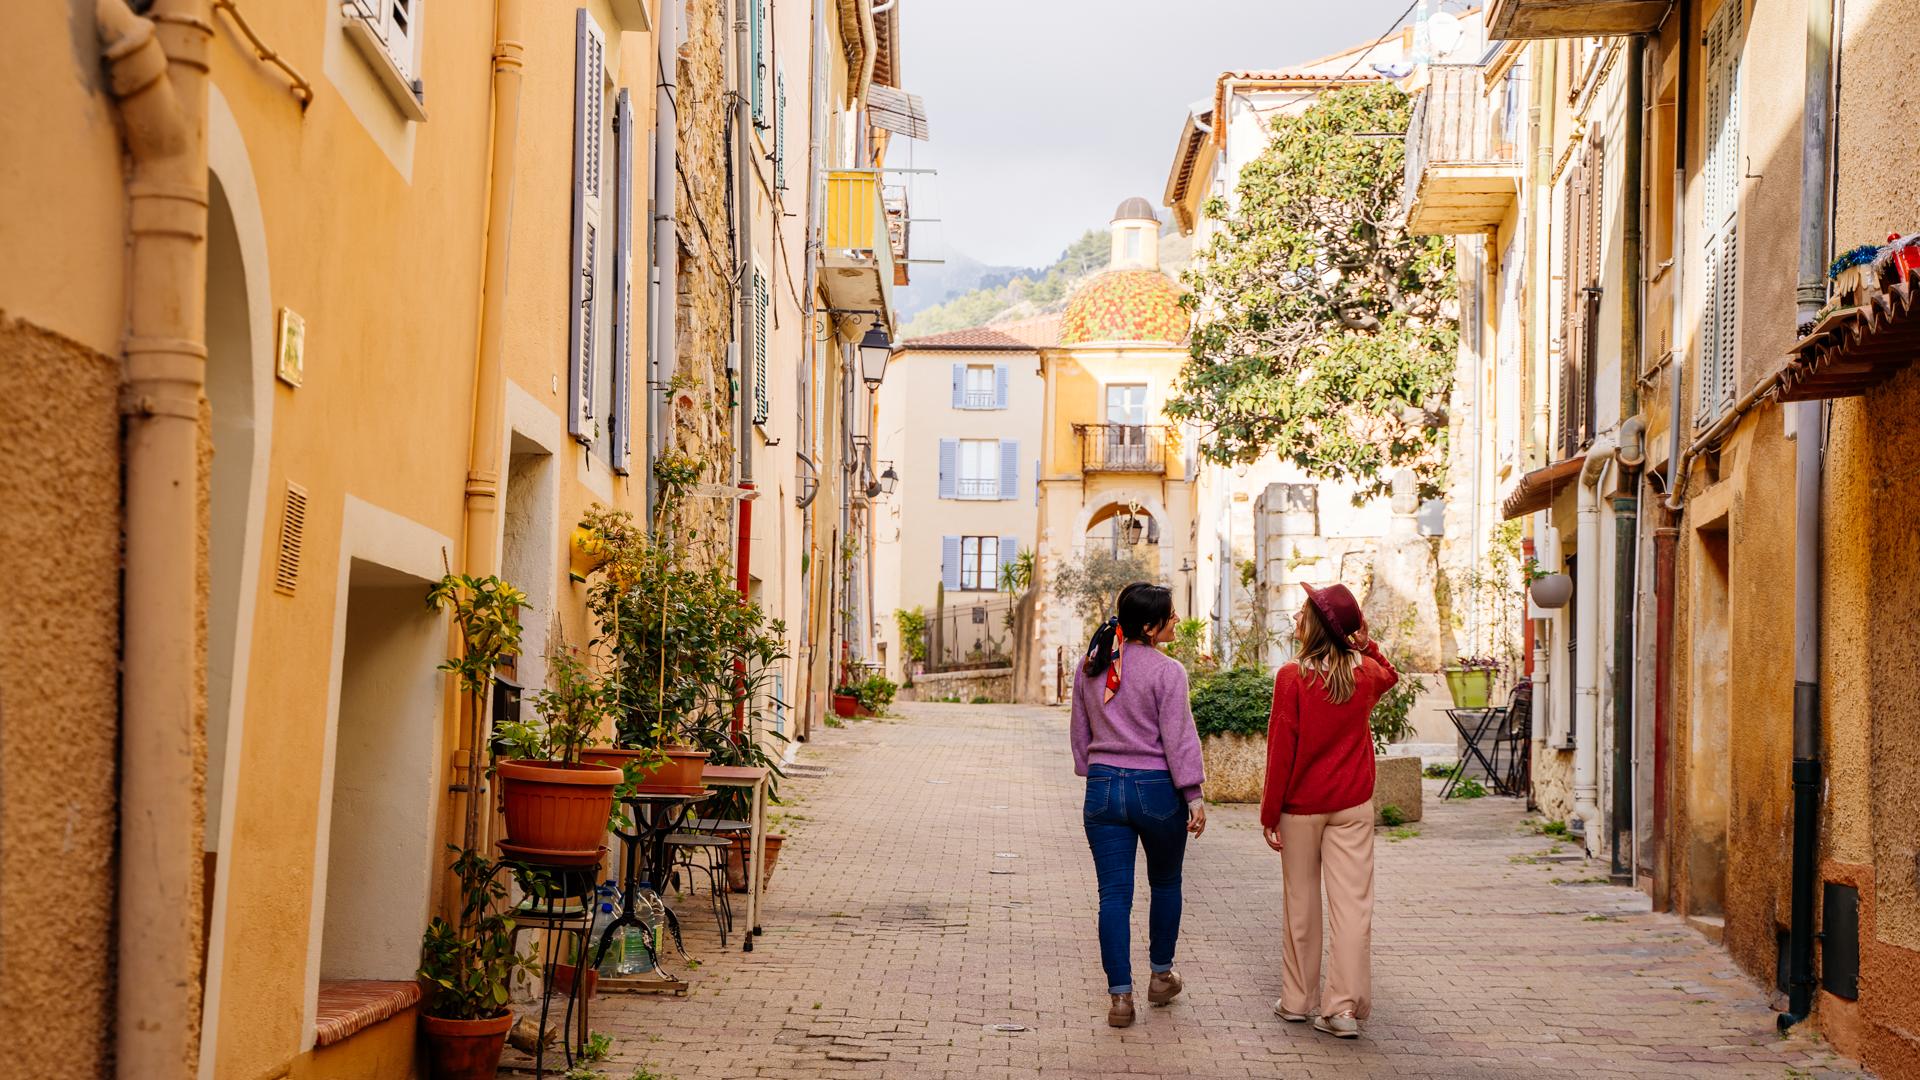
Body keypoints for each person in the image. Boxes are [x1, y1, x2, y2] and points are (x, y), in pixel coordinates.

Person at [1260, 581, 1399, 1039]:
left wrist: (1269, 813)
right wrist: (1364, 641)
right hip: (1353, 804)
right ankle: (1341, 1010)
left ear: (1315, 625)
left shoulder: (1292, 677)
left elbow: (1281, 750)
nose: (1297, 620)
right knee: (1353, 908)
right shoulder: (1364, 676)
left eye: (1303, 613)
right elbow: (1389, 672)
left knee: (1301, 904)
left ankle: (1297, 1000)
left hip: (1300, 808)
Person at [1070, 582, 1207, 1028]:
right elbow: (1179, 737)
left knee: (1113, 895)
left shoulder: (1090, 668)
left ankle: (1120, 1000)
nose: (1176, 621)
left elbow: (1080, 733)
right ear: (1149, 626)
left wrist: (1095, 769)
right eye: (1170, 615)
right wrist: (1193, 793)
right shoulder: (1169, 672)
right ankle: (1161, 975)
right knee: (1165, 883)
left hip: (1104, 787)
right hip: (1157, 790)